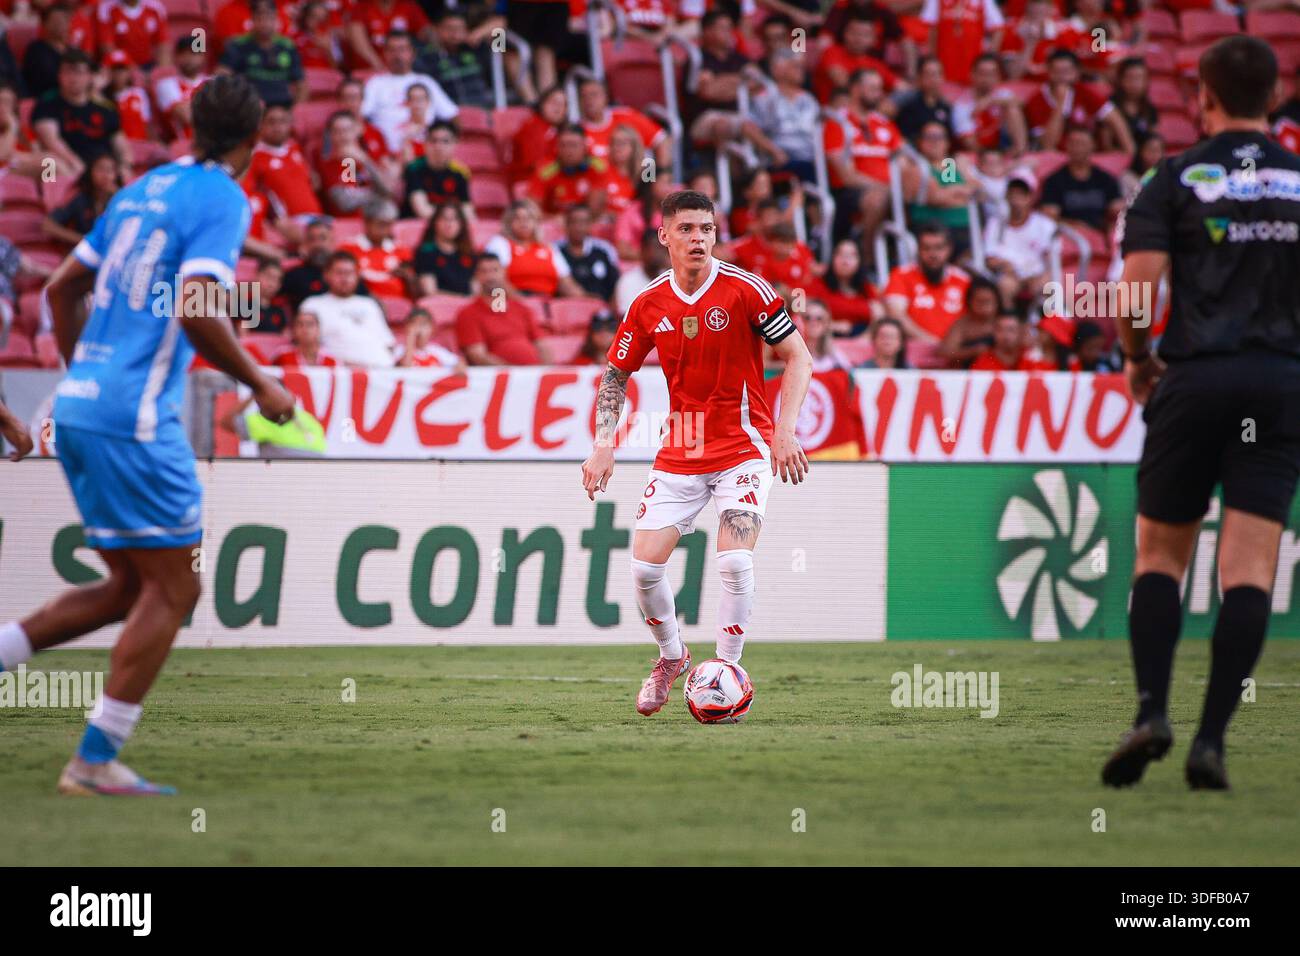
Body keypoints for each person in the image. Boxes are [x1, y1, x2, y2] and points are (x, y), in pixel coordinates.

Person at [0, 74, 295, 796]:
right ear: (254, 138)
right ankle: (95, 759)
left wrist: (86, 377)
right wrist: (261, 382)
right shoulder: (224, 197)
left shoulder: (142, 188)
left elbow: (58, 288)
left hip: (81, 407)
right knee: (176, 587)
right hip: (132, 417)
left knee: (128, 584)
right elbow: (197, 307)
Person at [1102, 36, 1300, 792]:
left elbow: (1137, 290)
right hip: (1280, 385)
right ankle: (1212, 741)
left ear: (1201, 98)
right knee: (1247, 573)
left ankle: (1152, 710)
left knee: (1159, 560)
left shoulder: (1175, 178)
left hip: (1193, 379)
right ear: (1275, 97)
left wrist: (1135, 356)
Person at [580, 189, 813, 716]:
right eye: (685, 229)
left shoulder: (746, 290)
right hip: (682, 444)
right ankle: (672, 657)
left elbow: (799, 357)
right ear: (663, 236)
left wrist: (785, 429)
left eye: (706, 229)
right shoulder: (648, 303)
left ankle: (728, 670)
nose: (698, 239)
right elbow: (616, 374)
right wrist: (603, 444)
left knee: (733, 557)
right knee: (643, 571)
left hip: (743, 443)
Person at [31, 49, 131, 180]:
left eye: (78, 72)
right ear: (59, 75)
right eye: (67, 72)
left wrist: (125, 165)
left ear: (89, 76)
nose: (73, 78)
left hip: (105, 169)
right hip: (68, 167)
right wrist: (78, 166)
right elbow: (52, 141)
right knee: (50, 164)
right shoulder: (46, 105)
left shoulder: (105, 108)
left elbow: (120, 143)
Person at [361, 30, 456, 155]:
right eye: (392, 50)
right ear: (384, 53)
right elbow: (359, 115)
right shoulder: (375, 83)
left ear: (412, 53)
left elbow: (452, 115)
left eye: (402, 49)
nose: (397, 55)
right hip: (387, 154)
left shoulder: (426, 81)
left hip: (426, 153)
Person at [300, 250, 398, 366]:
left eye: (350, 273)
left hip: (383, 372)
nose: (345, 278)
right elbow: (308, 347)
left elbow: (388, 343)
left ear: (357, 276)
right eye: (339, 273)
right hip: (340, 373)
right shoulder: (312, 305)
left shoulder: (369, 304)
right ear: (326, 275)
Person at [454, 253, 552, 365]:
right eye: (484, 272)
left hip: (532, 375)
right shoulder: (468, 314)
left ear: (503, 272)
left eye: (495, 270)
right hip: (500, 378)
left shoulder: (522, 309)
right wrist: (512, 374)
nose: (490, 277)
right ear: (477, 276)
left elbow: (542, 345)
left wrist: (546, 371)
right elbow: (477, 355)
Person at [883, 222, 971, 342]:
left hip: (954, 354)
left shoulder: (963, 280)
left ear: (949, 249)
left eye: (939, 248)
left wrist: (949, 347)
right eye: (926, 248)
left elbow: (973, 319)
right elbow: (896, 315)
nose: (933, 254)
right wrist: (931, 342)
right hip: (914, 350)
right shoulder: (901, 275)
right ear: (918, 250)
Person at [485, 200, 584, 298]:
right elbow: (495, 280)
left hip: (548, 303)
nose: (523, 223)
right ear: (509, 222)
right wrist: (523, 302)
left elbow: (566, 282)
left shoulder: (549, 248)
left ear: (536, 222)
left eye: (528, 218)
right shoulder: (500, 243)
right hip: (514, 302)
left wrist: (584, 299)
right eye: (517, 218)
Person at [218, 0, 305, 107]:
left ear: (276, 19)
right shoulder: (238, 45)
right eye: (259, 18)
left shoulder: (287, 46)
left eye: (269, 17)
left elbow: (301, 85)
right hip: (249, 108)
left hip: (281, 109)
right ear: (252, 19)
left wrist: (295, 110)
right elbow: (221, 76)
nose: (264, 23)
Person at [1039, 125, 1125, 234]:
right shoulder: (1054, 180)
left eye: (1082, 144)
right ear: (1067, 146)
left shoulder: (1105, 179)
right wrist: (1076, 225)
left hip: (1101, 235)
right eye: (1074, 144)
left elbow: (1117, 209)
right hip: (1068, 235)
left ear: (1093, 145)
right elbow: (1049, 217)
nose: (1078, 148)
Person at [43, 153, 122, 246]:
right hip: (83, 251)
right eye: (100, 169)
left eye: (109, 170)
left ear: (116, 175)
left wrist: (119, 196)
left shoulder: (121, 198)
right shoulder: (79, 197)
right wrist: (82, 240)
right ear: (90, 172)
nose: (105, 175)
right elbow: (47, 225)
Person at [401, 120, 470, 219]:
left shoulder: (461, 173)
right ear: (426, 144)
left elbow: (468, 211)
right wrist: (453, 217)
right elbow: (422, 211)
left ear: (455, 144)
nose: (439, 147)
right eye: (434, 141)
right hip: (417, 226)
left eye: (445, 141)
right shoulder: (414, 169)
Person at [556, 204, 620, 303]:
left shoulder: (604, 249)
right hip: (568, 309)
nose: (579, 227)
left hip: (603, 310)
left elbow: (615, 284)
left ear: (591, 225)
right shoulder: (555, 250)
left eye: (584, 222)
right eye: (574, 222)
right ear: (566, 225)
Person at [414, 201, 475, 296]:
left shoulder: (469, 253)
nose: (449, 224)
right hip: (438, 305)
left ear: (461, 224)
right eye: (444, 219)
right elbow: (430, 291)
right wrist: (462, 299)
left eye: (454, 219)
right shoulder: (426, 252)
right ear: (435, 222)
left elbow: (476, 288)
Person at [939, 276, 1000, 367]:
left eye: (988, 301)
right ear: (969, 302)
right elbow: (944, 352)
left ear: (996, 302)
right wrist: (972, 351)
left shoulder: (1004, 321)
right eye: (979, 301)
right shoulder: (962, 325)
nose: (984, 306)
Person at [397, 306, 462, 368]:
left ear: (432, 328)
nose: (419, 329)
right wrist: (411, 337)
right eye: (414, 324)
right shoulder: (399, 350)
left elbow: (458, 362)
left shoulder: (436, 350)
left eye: (423, 324)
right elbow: (406, 366)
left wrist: (459, 366)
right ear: (407, 327)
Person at [273, 307, 338, 368]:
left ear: (318, 330)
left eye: (310, 324)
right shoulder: (282, 355)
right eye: (300, 324)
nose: (305, 329)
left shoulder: (332, 358)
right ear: (293, 330)